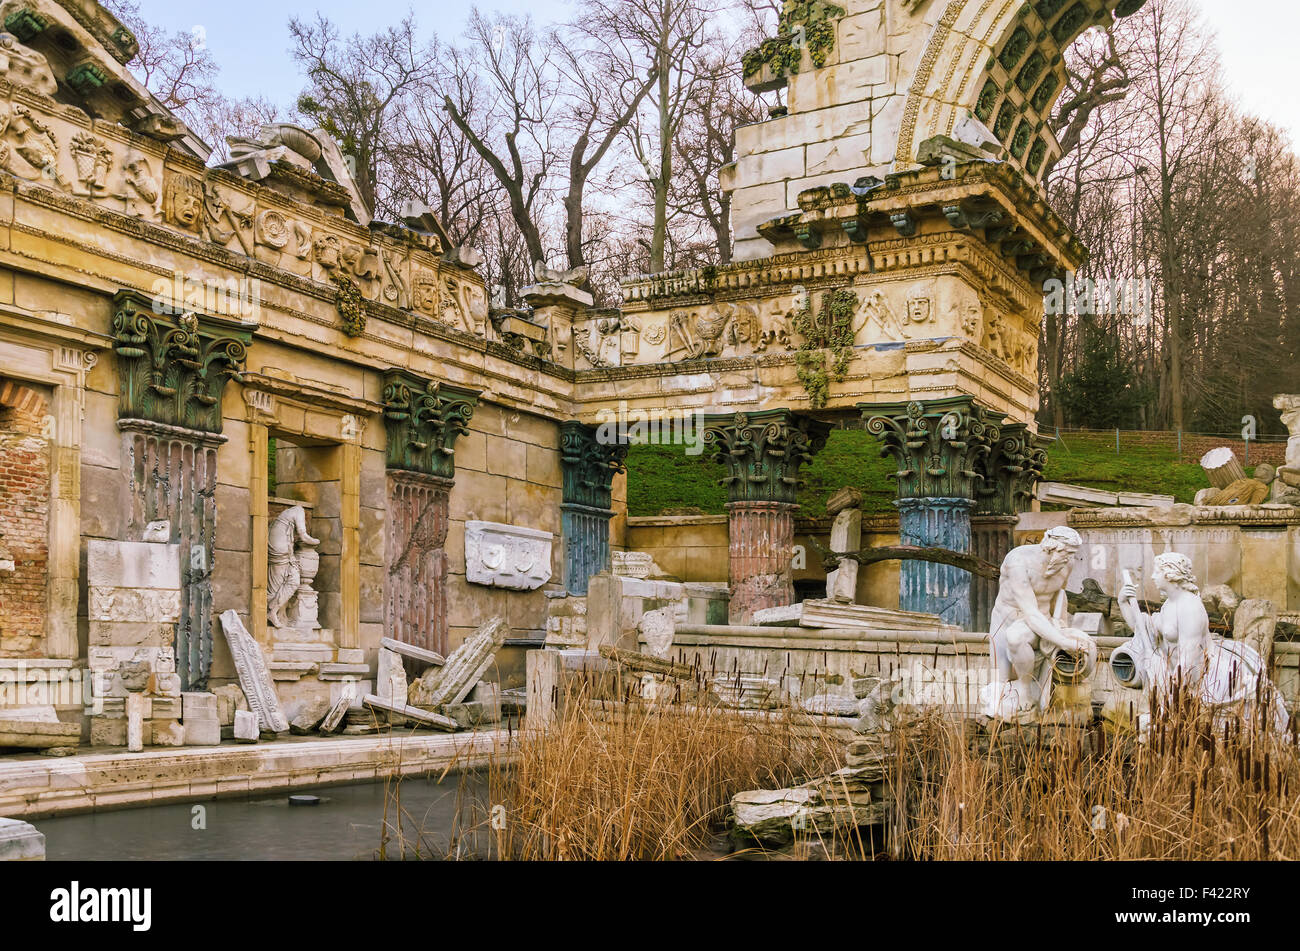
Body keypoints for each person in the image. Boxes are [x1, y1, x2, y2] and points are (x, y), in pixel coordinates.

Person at [1117, 553, 1288, 732]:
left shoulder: (1190, 607)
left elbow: (1189, 658)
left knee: (1218, 731)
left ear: (1170, 574)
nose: (1152, 576)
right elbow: (1144, 630)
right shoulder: (1169, 604)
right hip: (1181, 680)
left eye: (1157, 571)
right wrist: (1123, 603)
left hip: (1207, 678)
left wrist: (1168, 703)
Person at [983, 526, 1097, 719]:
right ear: (1053, 548)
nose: (1071, 559)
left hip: (1042, 622)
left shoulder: (1065, 564)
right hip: (1009, 621)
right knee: (999, 689)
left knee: (1018, 637)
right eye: (1068, 553)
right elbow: (1030, 613)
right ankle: (1024, 691)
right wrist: (1063, 642)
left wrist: (1060, 623)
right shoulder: (1018, 562)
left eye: (1072, 554)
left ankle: (1029, 693)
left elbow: (1058, 595)